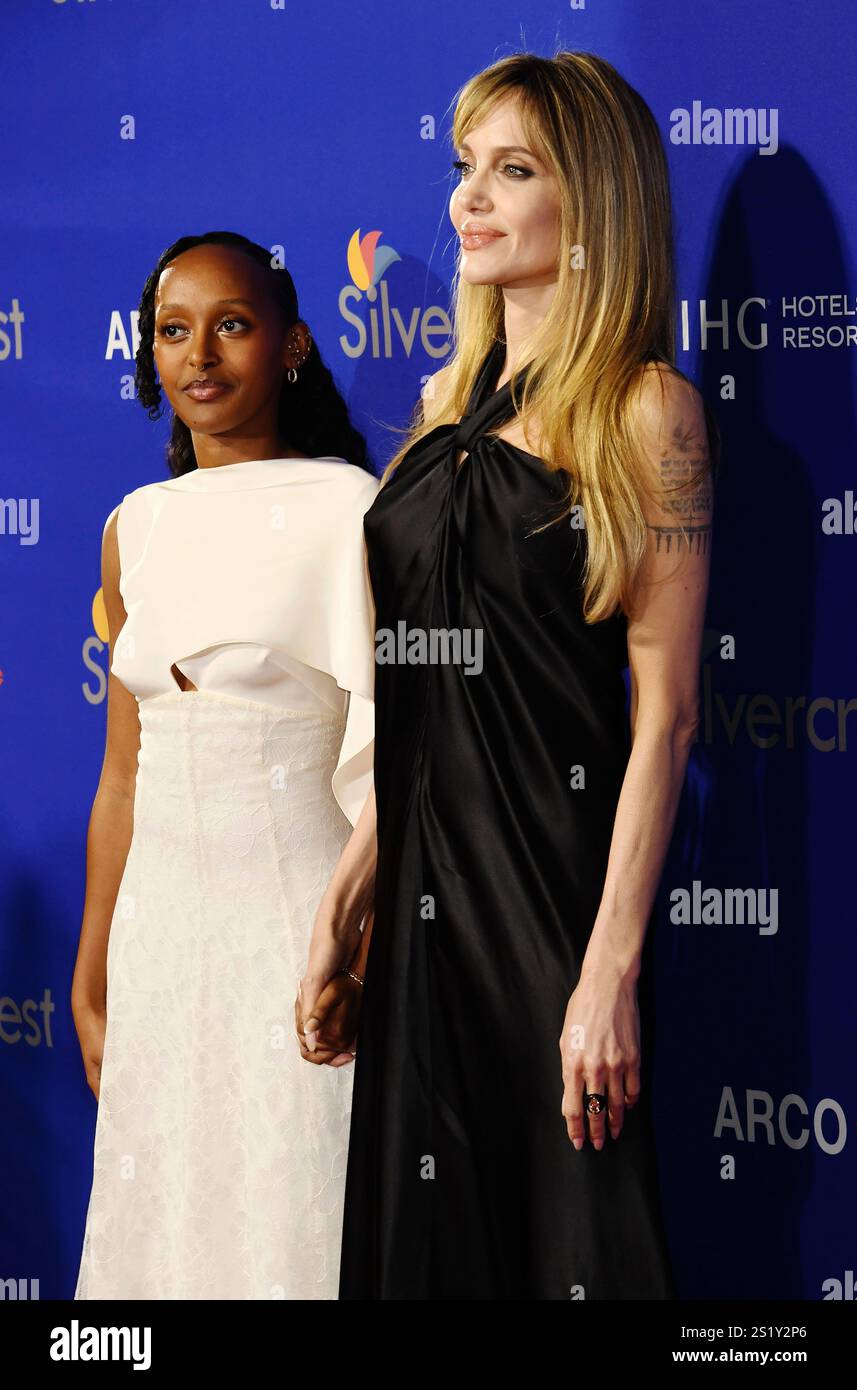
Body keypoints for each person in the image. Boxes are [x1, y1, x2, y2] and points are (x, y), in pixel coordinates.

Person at [297, 51, 720, 1299]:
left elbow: (666, 718)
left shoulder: (648, 417)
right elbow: (426, 707)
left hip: (548, 918)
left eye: (513, 170)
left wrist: (605, 975)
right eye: (463, 167)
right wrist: (344, 907)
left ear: (589, 203)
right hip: (422, 933)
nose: (466, 201)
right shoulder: (437, 413)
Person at [72, 232, 379, 1300]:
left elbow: (388, 767)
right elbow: (124, 779)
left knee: (295, 1224)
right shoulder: (134, 527)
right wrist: (91, 963)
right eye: (172, 330)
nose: (198, 354)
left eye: (232, 325)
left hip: (298, 933)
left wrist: (358, 944)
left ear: (291, 343)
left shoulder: (350, 509)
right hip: (161, 944)